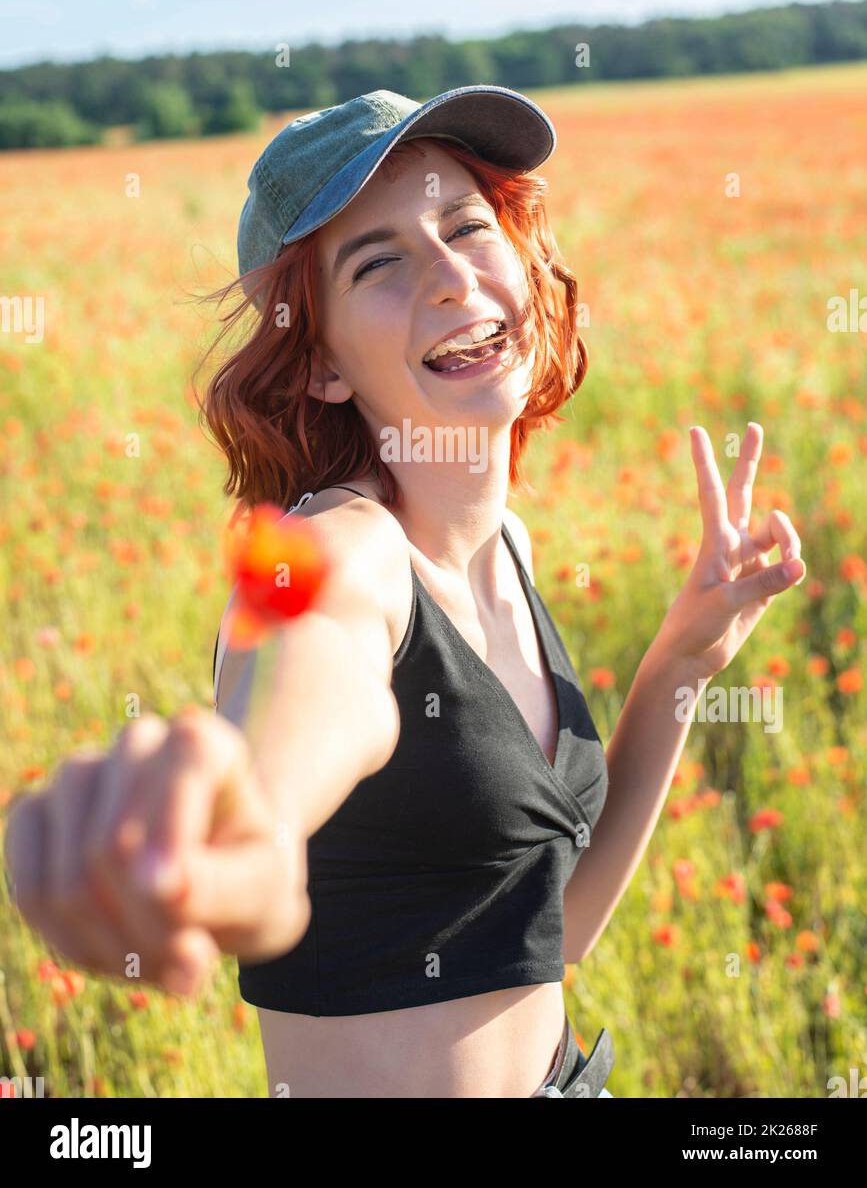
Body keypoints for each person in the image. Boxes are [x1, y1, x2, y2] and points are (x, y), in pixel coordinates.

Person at [3, 85, 807, 1099]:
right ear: (324, 364)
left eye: (469, 225)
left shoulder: (504, 545)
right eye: (379, 262)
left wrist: (682, 662)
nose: (450, 275)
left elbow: (548, 941)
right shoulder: (338, 552)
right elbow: (302, 712)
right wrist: (229, 830)